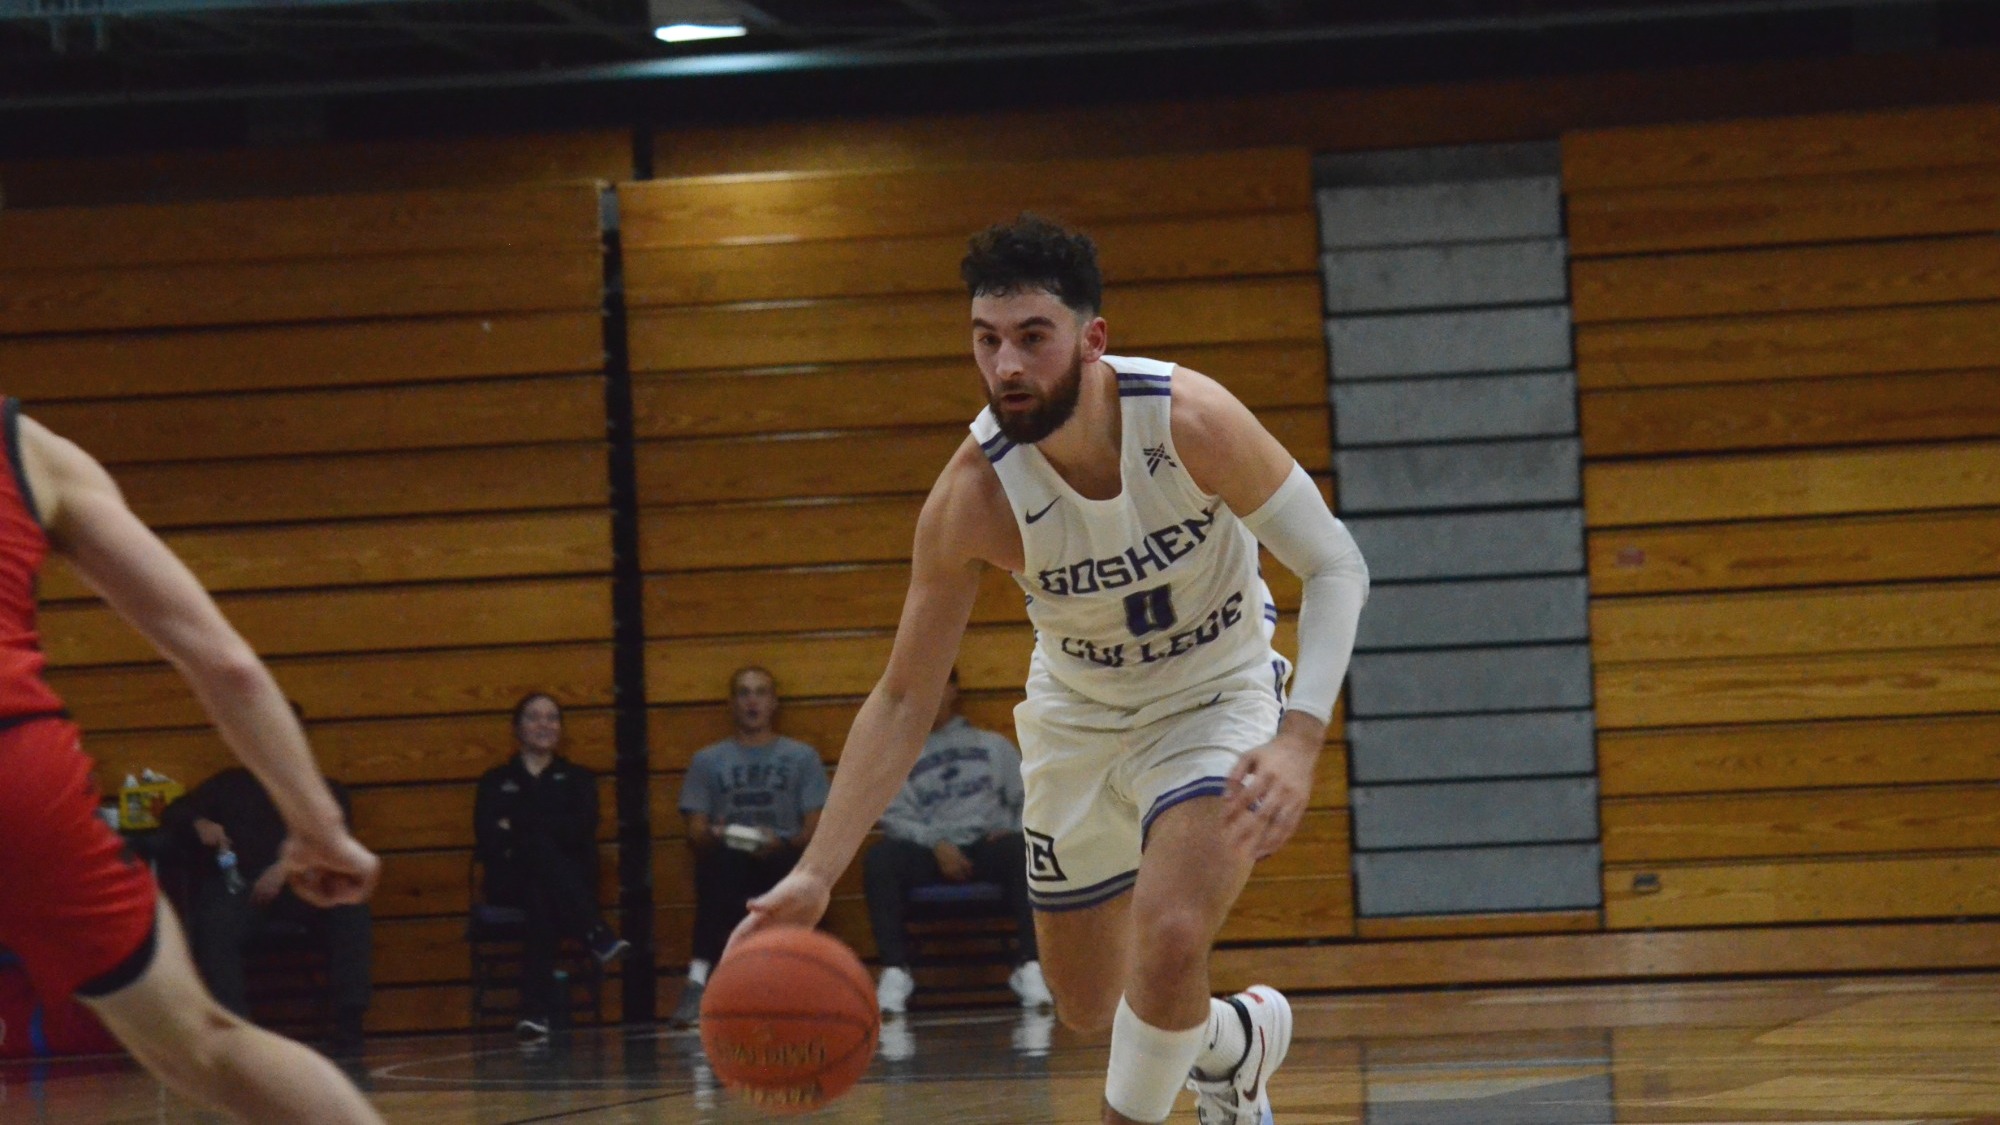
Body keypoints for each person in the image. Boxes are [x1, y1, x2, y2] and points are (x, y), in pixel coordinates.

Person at [734, 216, 1369, 1125]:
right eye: (987, 341)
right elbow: (908, 694)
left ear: (1091, 339)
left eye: (1032, 337)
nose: (1007, 367)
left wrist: (1302, 735)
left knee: (1173, 932)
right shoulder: (974, 494)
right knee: (1092, 1008)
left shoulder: (1190, 421)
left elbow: (1336, 563)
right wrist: (818, 871)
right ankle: (1235, 1040)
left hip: (1214, 694)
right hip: (1078, 720)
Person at [0, 400, 385, 1123]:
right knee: (204, 1044)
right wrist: (318, 825)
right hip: (15, 761)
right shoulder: (30, 449)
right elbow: (225, 662)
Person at [162, 753, 374, 1057]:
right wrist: (200, 823)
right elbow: (174, 813)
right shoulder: (228, 785)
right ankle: (235, 1028)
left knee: (350, 909)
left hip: (304, 884)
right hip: (241, 887)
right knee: (214, 919)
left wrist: (285, 871)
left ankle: (349, 1022)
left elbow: (336, 846)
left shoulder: (322, 791)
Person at [864, 667, 1048, 1014]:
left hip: (987, 846)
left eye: (937, 684)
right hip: (928, 851)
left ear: (953, 690)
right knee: (880, 859)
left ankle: (1030, 965)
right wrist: (936, 843)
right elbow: (894, 816)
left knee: (1022, 850)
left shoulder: (992, 746)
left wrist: (1012, 826)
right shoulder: (900, 754)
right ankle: (894, 969)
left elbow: (1030, 798)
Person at [671, 666, 828, 1026]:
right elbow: (694, 832)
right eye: (743, 692)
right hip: (728, 856)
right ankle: (698, 982)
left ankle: (802, 986)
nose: (752, 700)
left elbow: (814, 830)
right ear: (732, 703)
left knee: (796, 868)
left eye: (760, 692)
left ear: (774, 702)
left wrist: (780, 841)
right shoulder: (707, 760)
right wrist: (717, 832)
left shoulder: (802, 757)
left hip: (783, 856)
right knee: (718, 864)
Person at [473, 692, 628, 1041]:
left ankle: (533, 1013)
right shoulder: (495, 780)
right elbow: (489, 837)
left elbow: (581, 828)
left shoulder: (578, 779)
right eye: (533, 717)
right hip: (508, 879)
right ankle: (594, 932)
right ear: (517, 728)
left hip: (563, 880)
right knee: (539, 862)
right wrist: (543, 829)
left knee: (540, 894)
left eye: (552, 717)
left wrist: (518, 826)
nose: (544, 724)